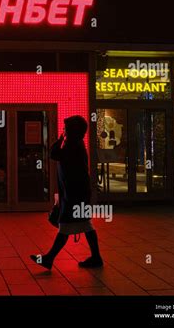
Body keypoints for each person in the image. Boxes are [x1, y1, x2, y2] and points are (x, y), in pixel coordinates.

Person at [30, 115, 103, 270]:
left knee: (67, 226)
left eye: (65, 128)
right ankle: (96, 257)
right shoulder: (76, 144)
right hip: (77, 193)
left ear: (71, 130)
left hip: (74, 195)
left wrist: (60, 138)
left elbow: (53, 154)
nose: (64, 130)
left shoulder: (72, 145)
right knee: (84, 225)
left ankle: (49, 259)